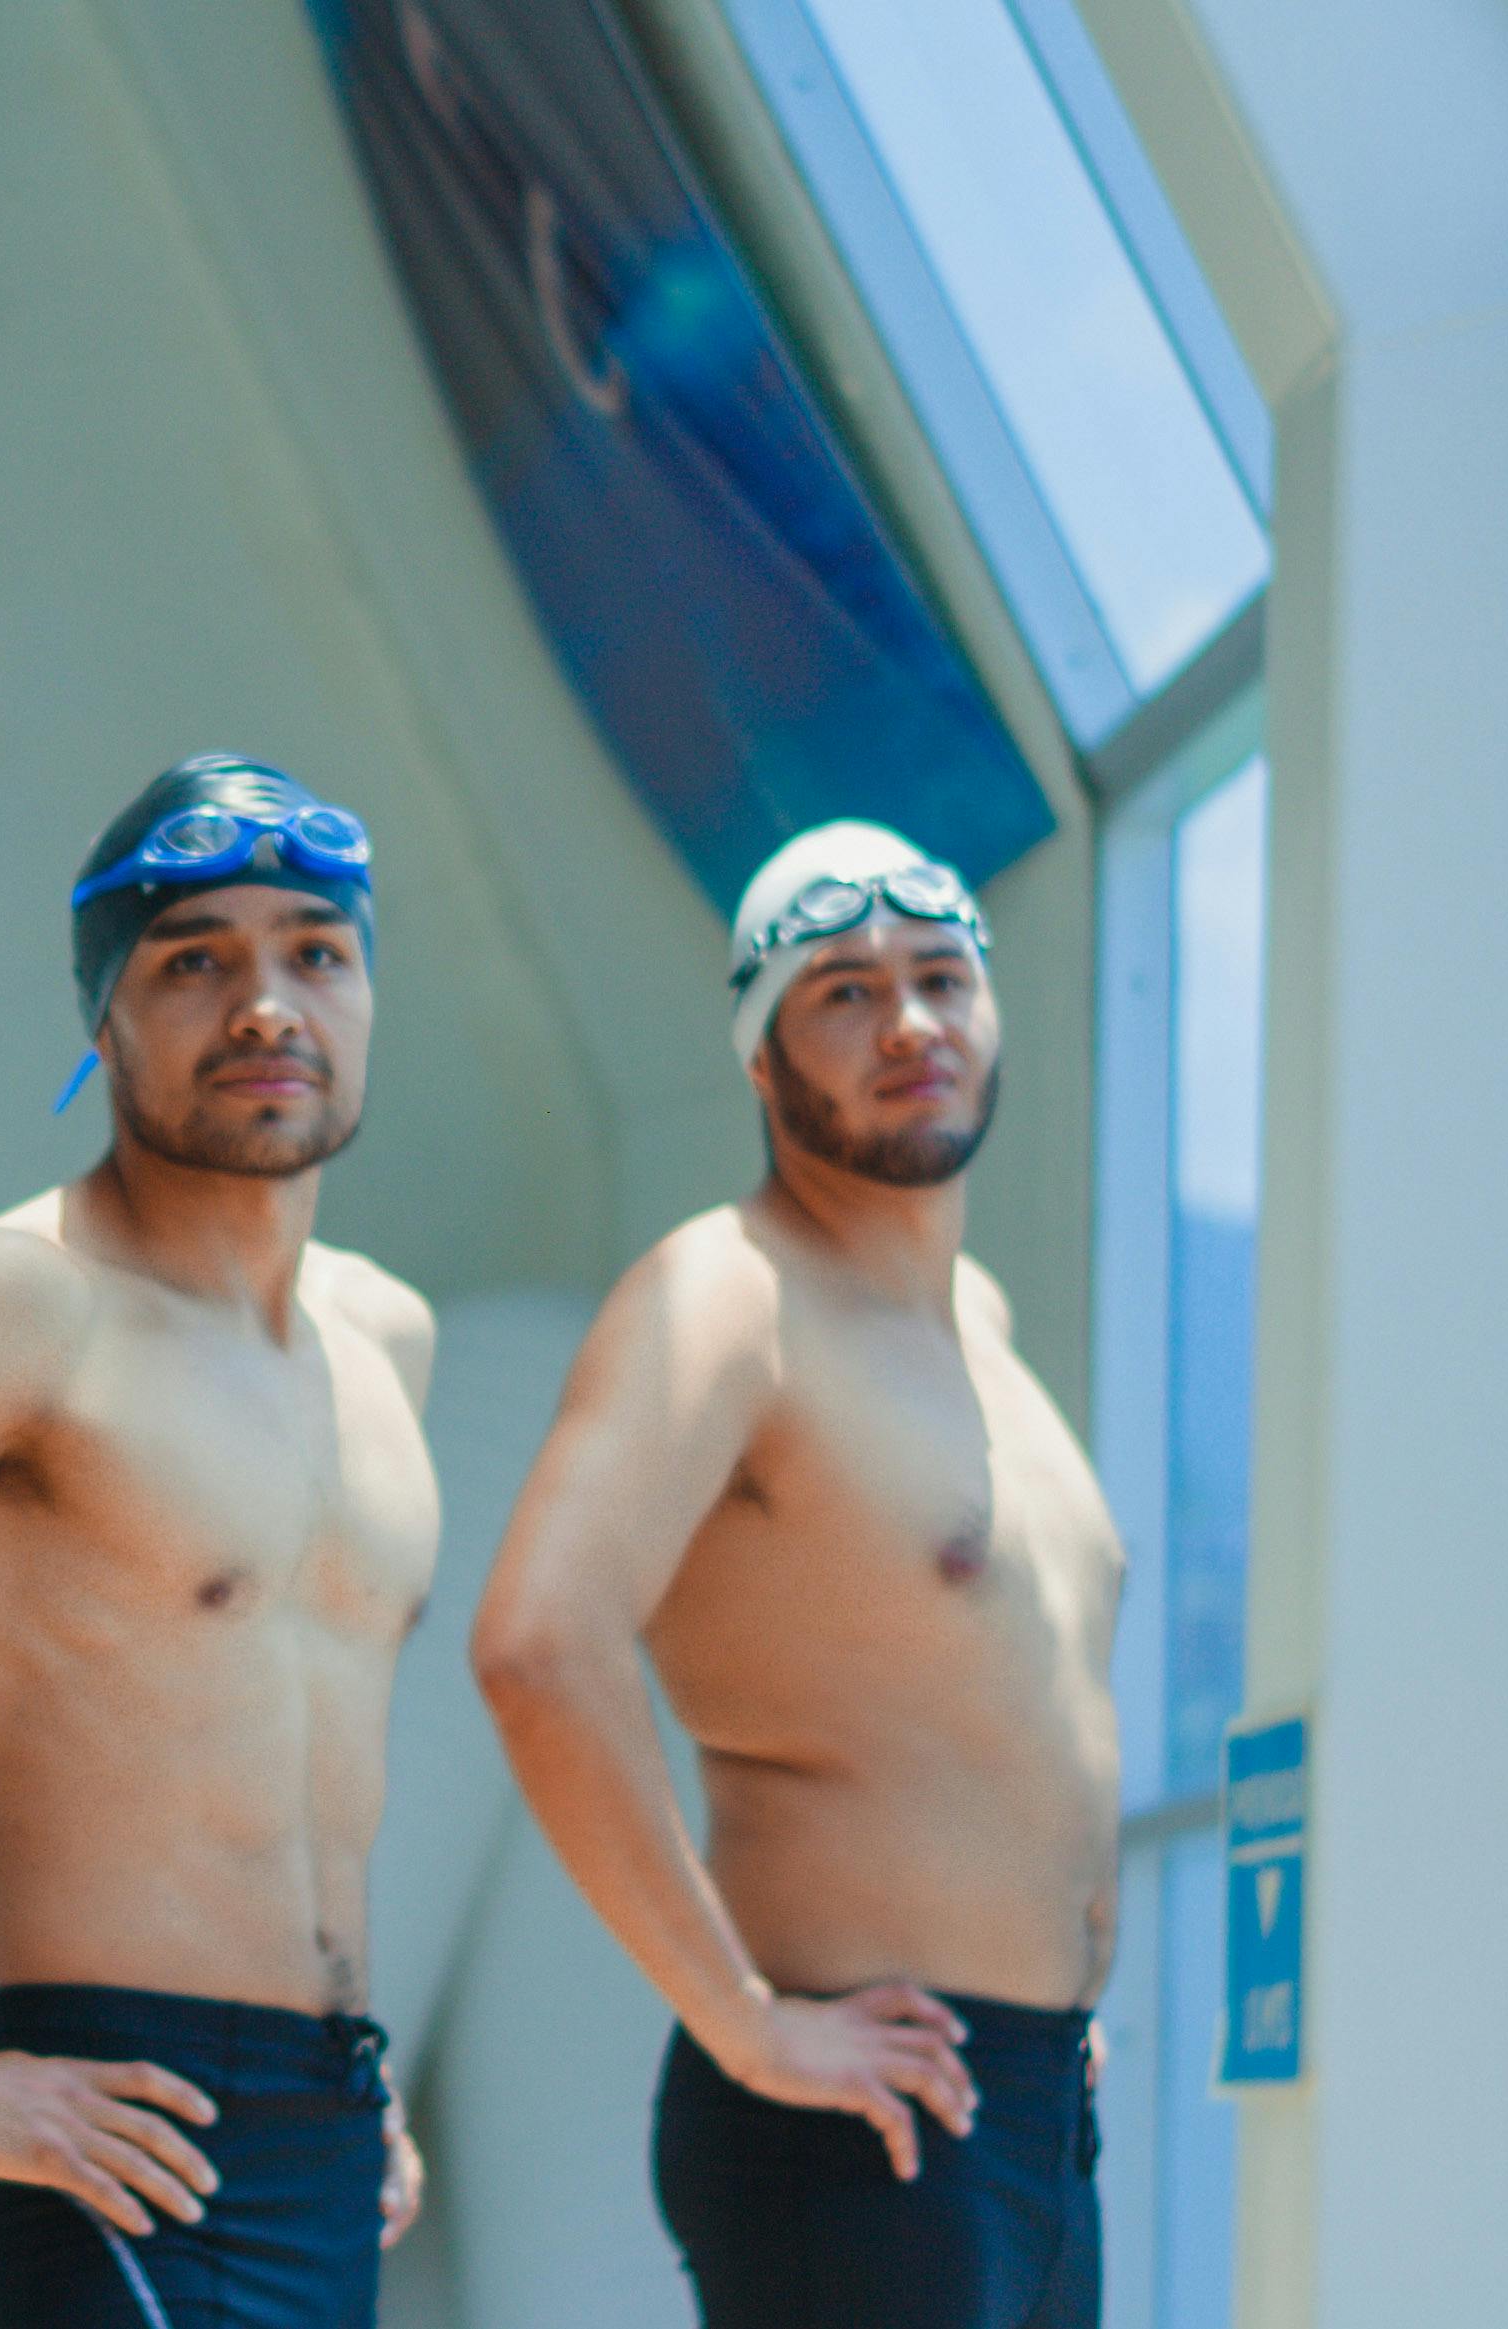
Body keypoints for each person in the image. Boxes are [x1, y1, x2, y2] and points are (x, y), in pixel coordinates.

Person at [471, 821, 1123, 2329]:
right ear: (763, 1063)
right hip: (856, 2110)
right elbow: (536, 1644)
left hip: (1025, 2101)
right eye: (843, 991)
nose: (909, 1022)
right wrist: (746, 2023)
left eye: (942, 978)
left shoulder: (991, 1336)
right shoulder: (727, 1297)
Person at [0, 754, 437, 2327]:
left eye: (316, 951)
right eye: (195, 960)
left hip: (327, 2124)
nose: (267, 1004)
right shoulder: (4, 1304)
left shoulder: (387, 1338)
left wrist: (347, 2077)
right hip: (107, 2118)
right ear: (102, 1016)